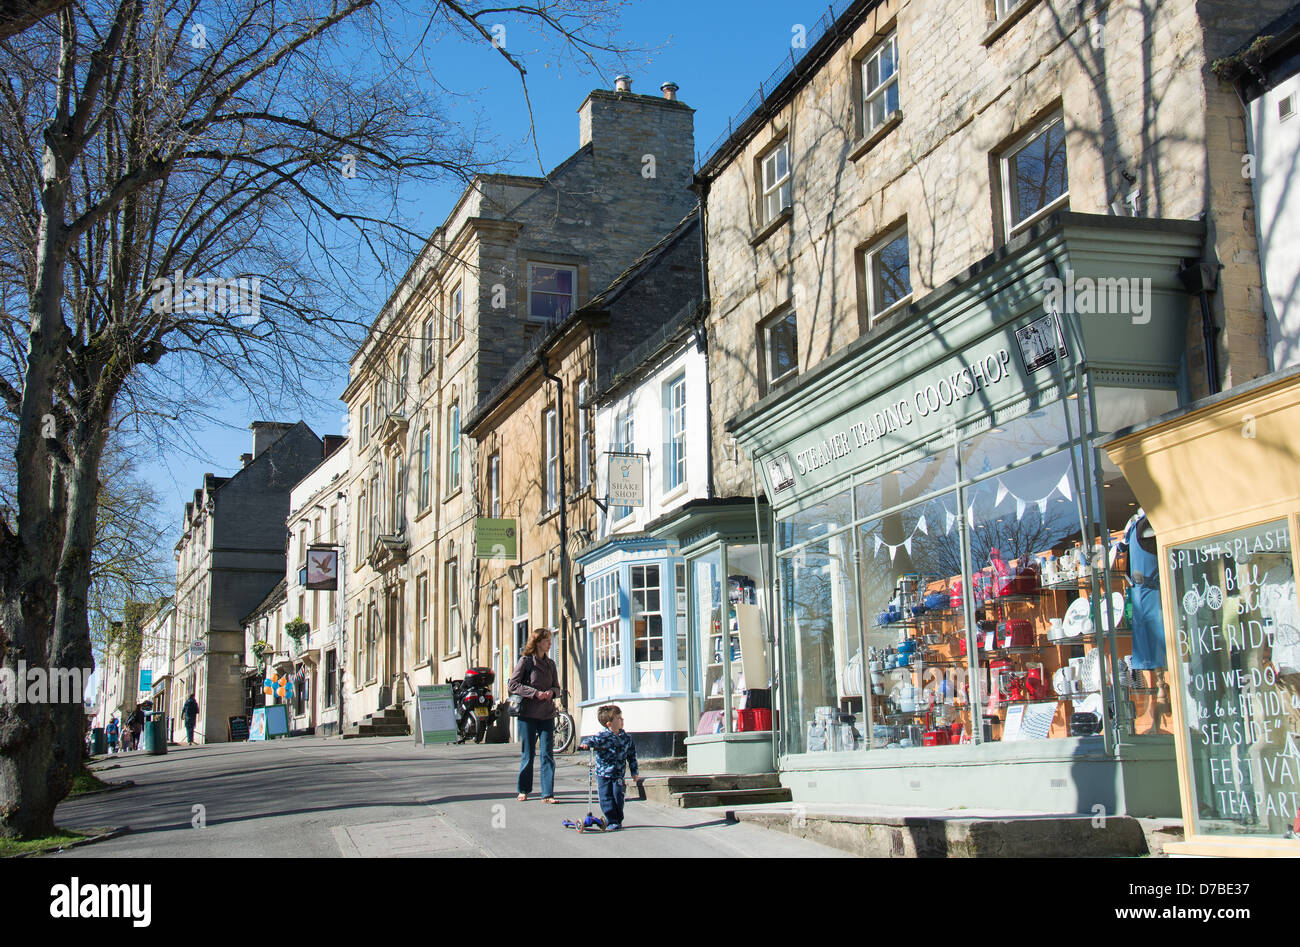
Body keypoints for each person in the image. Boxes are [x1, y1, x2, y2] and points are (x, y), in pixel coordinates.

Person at [508, 628, 562, 803]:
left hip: (547, 714)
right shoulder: (525, 662)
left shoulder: (551, 664)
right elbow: (512, 685)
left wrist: (551, 693)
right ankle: (523, 789)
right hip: (528, 715)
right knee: (528, 754)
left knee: (547, 755)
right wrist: (534, 693)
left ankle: (547, 794)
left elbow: (557, 688)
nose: (550, 643)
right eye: (547, 640)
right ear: (538, 642)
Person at [579, 704, 639, 831]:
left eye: (621, 717)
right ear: (609, 724)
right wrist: (585, 745)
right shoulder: (602, 737)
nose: (622, 720)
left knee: (618, 796)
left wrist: (634, 771)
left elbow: (632, 755)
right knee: (605, 797)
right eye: (618, 718)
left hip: (618, 773)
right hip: (603, 774)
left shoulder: (626, 738)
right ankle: (611, 819)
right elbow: (591, 740)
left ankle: (617, 819)